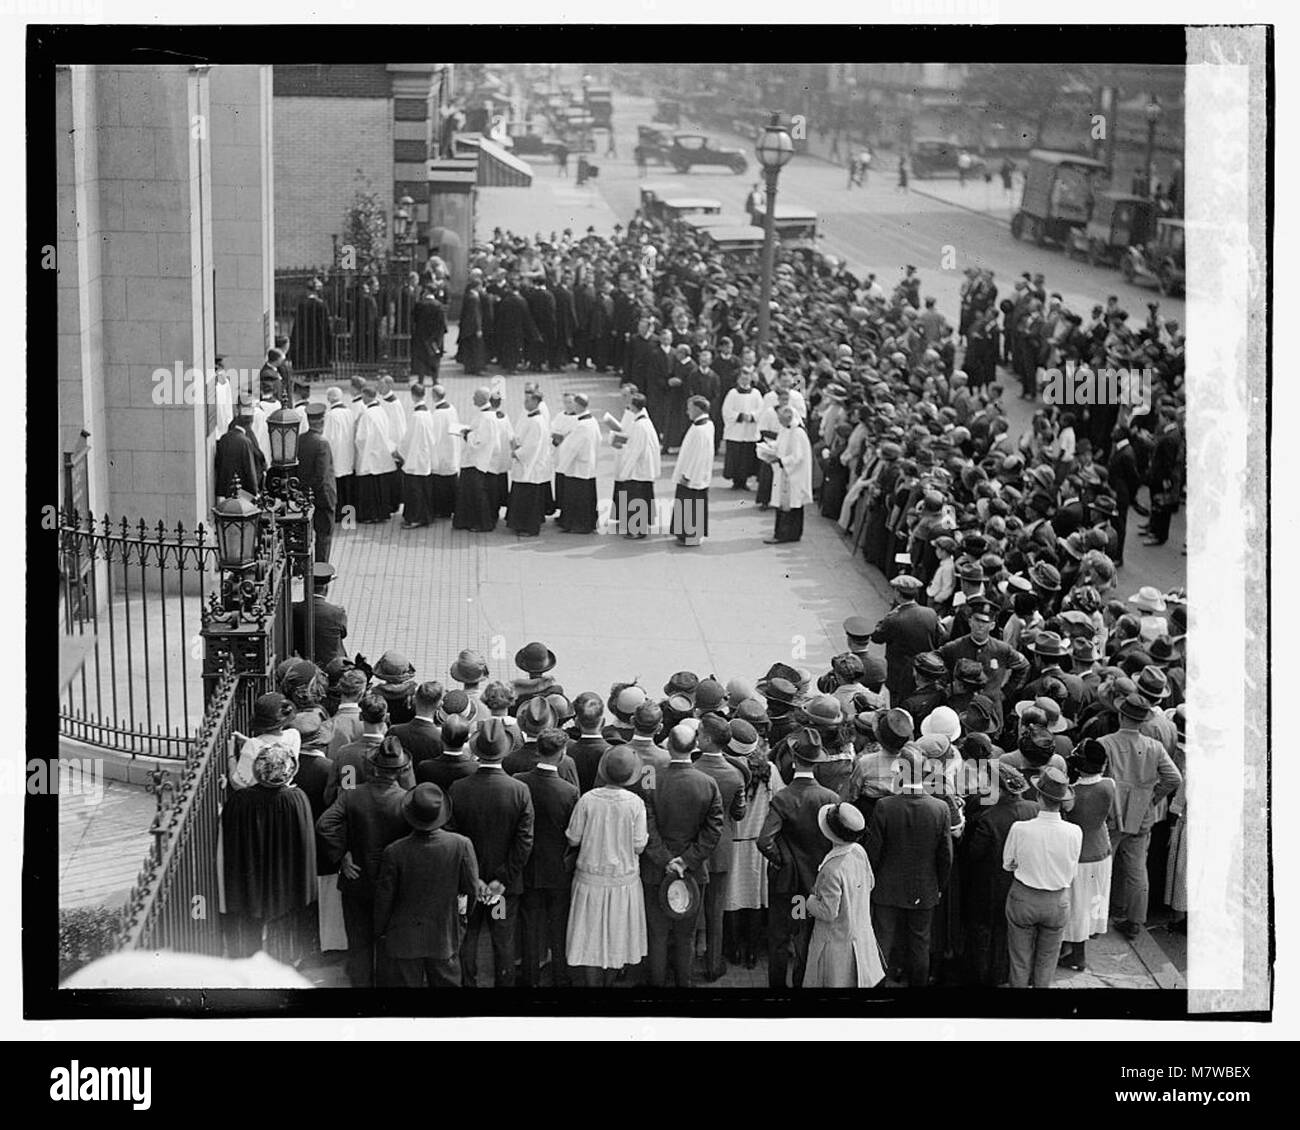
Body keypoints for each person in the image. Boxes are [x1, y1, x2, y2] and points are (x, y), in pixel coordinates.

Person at [315, 737, 413, 987]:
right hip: (394, 884)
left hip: (356, 880)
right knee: (389, 940)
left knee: (358, 944)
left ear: (374, 767)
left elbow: (324, 825)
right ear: (400, 770)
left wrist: (341, 854)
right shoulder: (406, 800)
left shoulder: (352, 795)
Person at [448, 718, 535, 987]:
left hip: (468, 885)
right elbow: (524, 842)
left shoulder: (458, 788)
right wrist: (502, 880)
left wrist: (474, 880)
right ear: (505, 751)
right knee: (503, 939)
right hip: (502, 890)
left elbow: (454, 838)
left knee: (468, 937)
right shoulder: (519, 790)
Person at [641, 724, 724, 988]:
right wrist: (687, 861)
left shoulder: (650, 775)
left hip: (656, 870)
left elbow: (646, 823)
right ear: (695, 746)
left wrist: (665, 859)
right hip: (693, 872)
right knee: (686, 935)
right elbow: (713, 830)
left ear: (668, 745)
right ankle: (684, 984)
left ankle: (656, 984)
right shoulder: (708, 783)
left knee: (657, 934)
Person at [373, 783, 480, 988]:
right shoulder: (461, 845)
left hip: (404, 939)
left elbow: (384, 900)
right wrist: (461, 920)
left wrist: (381, 931)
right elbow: (471, 891)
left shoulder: (394, 851)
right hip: (444, 936)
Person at [757, 728, 839, 988]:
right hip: (813, 885)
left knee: (779, 940)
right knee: (804, 940)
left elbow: (764, 840)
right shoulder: (830, 798)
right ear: (816, 763)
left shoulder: (783, 798)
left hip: (785, 884)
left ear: (793, 759)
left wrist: (782, 860)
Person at [221, 742, 317, 963]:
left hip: (253, 878)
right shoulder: (297, 798)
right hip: (285, 880)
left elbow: (229, 829)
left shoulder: (241, 800)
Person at [866, 743, 953, 987]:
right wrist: (939, 885)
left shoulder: (884, 806)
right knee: (920, 943)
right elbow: (945, 855)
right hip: (924, 888)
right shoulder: (940, 808)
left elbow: (873, 852)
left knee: (882, 940)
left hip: (886, 888)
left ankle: (879, 985)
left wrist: (872, 883)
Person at [1097, 693, 1182, 939]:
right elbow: (1174, 777)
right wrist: (1151, 797)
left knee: (1103, 865)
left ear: (1121, 715)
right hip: (1140, 812)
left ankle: (1097, 915)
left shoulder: (1105, 743)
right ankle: (1135, 921)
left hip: (1111, 811)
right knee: (1136, 869)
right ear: (1143, 720)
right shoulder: (1153, 747)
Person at [564, 744, 650, 986]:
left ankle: (593, 987)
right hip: (623, 881)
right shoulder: (635, 804)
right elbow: (639, 845)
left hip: (590, 879)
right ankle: (610, 984)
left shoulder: (587, 800)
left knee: (589, 938)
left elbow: (573, 837)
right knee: (618, 937)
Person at [1002, 766, 1083, 988]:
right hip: (1057, 901)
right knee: (1048, 959)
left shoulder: (1020, 828)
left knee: (1019, 957)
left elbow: (1007, 864)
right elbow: (1072, 867)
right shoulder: (1075, 832)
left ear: (1039, 796)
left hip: (1024, 898)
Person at [962, 761, 1039, 987]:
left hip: (990, 884)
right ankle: (1005, 973)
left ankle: (984, 977)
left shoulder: (990, 817)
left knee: (985, 932)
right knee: (1011, 934)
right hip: (1021, 882)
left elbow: (975, 853)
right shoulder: (1033, 809)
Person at [517, 728, 581, 988]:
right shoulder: (569, 791)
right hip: (558, 868)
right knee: (558, 924)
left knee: (529, 924)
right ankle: (560, 975)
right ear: (562, 753)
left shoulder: (519, 781)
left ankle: (529, 976)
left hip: (527, 865)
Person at [803, 802, 886, 988]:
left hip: (834, 945)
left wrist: (807, 902)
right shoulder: (859, 852)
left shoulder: (831, 869)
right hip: (859, 935)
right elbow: (870, 883)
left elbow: (827, 912)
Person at [693, 713, 748, 982]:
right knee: (716, 910)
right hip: (723, 847)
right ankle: (713, 964)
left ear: (706, 739)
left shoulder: (692, 769)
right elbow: (739, 814)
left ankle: (688, 960)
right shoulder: (736, 775)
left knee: (690, 906)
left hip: (692, 848)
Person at [1060, 739, 1116, 972]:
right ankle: (1078, 949)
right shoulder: (1109, 785)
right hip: (1102, 852)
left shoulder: (1071, 794)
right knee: (1092, 902)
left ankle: (1076, 955)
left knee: (1077, 906)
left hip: (1079, 856)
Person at [870, 574, 942, 705]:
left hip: (899, 675)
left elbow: (876, 637)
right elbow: (941, 637)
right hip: (925, 671)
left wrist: (887, 617)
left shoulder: (894, 619)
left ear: (897, 593)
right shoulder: (930, 613)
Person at [762, 404, 814, 544]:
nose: (779, 421)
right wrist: (770, 448)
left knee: (790, 504)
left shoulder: (797, 432)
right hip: (786, 473)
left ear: (789, 417)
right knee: (790, 504)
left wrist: (780, 460)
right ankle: (791, 534)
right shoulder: (785, 429)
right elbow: (780, 445)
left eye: (781, 419)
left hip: (793, 476)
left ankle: (784, 535)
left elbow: (797, 457)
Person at [612, 391, 661, 539]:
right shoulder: (644, 421)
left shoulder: (640, 425)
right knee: (641, 497)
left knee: (636, 498)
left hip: (638, 469)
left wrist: (625, 471)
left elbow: (636, 450)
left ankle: (636, 530)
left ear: (633, 406)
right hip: (644, 467)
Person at [506, 386, 552, 537]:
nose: (524, 403)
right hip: (524, 464)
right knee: (521, 496)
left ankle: (529, 527)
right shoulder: (530, 417)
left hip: (529, 466)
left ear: (536, 402)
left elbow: (532, 447)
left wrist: (516, 452)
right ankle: (519, 524)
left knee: (529, 499)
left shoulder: (537, 422)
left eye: (528, 400)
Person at [452, 387, 498, 532]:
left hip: (477, 461)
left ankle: (482, 523)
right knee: (467, 492)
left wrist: (466, 434)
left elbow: (480, 440)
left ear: (482, 398)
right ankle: (466, 520)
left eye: (475, 396)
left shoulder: (487, 417)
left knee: (477, 494)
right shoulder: (483, 414)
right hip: (472, 460)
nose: (472, 398)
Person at [671, 396, 715, 548]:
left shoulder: (700, 429)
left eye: (690, 408)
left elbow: (696, 455)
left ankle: (690, 536)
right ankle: (688, 534)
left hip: (692, 475)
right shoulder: (707, 424)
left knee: (690, 504)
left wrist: (687, 475)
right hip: (699, 474)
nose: (687, 411)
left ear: (697, 409)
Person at [554, 393, 600, 533]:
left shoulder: (582, 425)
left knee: (576, 497)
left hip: (578, 466)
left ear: (578, 405)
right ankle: (585, 522)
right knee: (585, 496)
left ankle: (578, 524)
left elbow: (572, 448)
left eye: (573, 403)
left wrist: (562, 465)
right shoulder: (591, 421)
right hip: (587, 464)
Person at [292, 562, 348, 669]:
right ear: (325, 588)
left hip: (303, 664)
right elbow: (343, 634)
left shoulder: (295, 609)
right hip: (332, 666)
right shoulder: (337, 612)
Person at [396, 383, 437, 528]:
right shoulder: (428, 413)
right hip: (424, 456)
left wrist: (399, 451)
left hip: (415, 458)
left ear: (413, 395)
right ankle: (425, 516)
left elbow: (408, 438)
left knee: (414, 491)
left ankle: (414, 518)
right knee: (423, 488)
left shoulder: (416, 416)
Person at [353, 385, 396, 524]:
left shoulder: (367, 414)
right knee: (381, 487)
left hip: (370, 455)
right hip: (381, 453)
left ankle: (370, 515)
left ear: (366, 396)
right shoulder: (381, 410)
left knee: (370, 490)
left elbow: (361, 438)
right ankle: (383, 513)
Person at [721, 367, 763, 490]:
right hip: (736, 430)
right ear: (738, 379)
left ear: (751, 379)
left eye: (747, 378)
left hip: (749, 429)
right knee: (736, 456)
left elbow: (761, 409)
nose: (745, 381)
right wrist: (739, 416)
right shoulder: (732, 393)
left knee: (747, 456)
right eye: (742, 378)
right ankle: (736, 481)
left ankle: (744, 480)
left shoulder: (756, 393)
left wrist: (752, 416)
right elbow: (726, 411)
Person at [214, 400, 265, 499]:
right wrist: (255, 491)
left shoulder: (225, 437)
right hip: (243, 487)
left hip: (227, 485)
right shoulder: (245, 440)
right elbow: (250, 467)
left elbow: (218, 462)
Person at [426, 384, 461, 520]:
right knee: (450, 481)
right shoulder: (452, 408)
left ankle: (441, 510)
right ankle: (451, 508)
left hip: (442, 452)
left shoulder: (438, 414)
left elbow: (434, 436)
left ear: (434, 396)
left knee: (440, 484)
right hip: (452, 449)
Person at [322, 388, 356, 521]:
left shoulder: (330, 415)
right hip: (347, 453)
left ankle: (339, 515)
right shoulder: (349, 412)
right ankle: (350, 516)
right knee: (348, 486)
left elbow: (327, 437)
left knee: (338, 487)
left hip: (336, 454)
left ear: (330, 398)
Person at [411, 285, 447, 380]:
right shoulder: (438, 305)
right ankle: (435, 380)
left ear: (426, 291)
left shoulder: (419, 304)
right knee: (435, 358)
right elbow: (442, 323)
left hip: (421, 335)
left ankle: (421, 379)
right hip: (435, 337)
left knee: (421, 358)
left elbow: (414, 319)